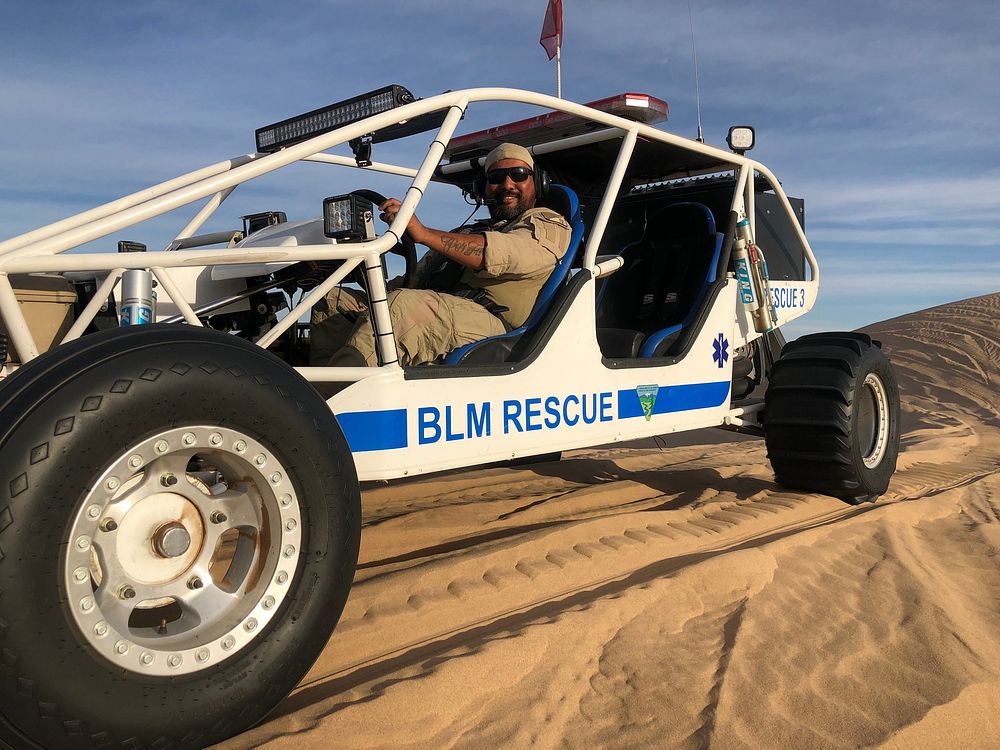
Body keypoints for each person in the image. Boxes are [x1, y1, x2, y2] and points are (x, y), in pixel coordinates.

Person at [310, 143, 572, 367]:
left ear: (537, 182)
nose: (507, 184)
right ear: (483, 186)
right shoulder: (466, 232)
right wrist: (342, 274)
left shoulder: (548, 223)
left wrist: (422, 233)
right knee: (333, 299)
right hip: (443, 310)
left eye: (518, 175)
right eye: (496, 178)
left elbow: (507, 254)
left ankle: (331, 408)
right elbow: (412, 280)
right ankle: (311, 391)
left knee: (403, 306)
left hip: (500, 328)